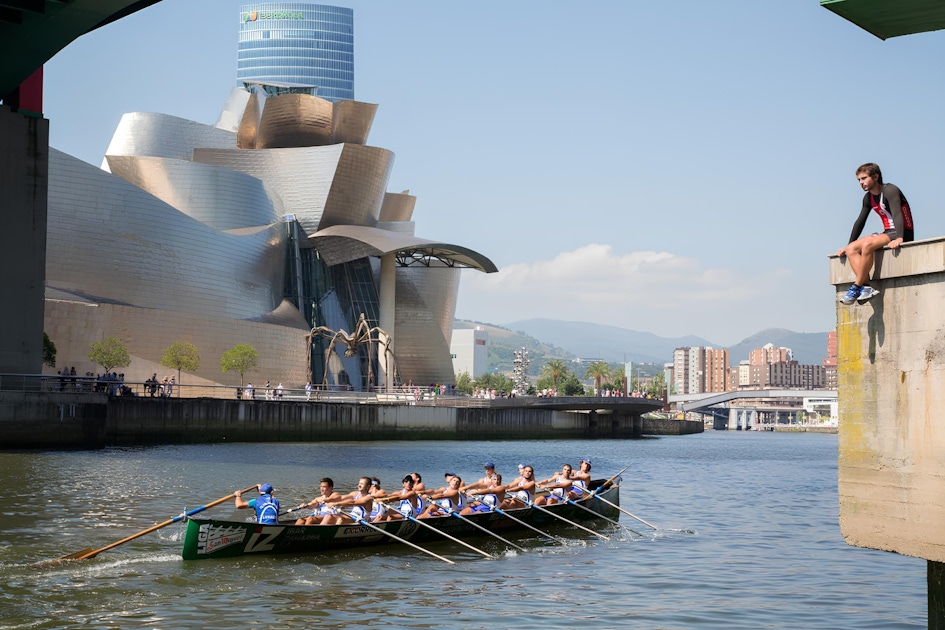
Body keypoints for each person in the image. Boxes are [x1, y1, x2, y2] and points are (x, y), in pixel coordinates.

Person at [837, 163, 915, 304]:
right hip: (887, 232)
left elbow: (898, 214)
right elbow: (860, 221)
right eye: (859, 180)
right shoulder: (868, 198)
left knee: (867, 245)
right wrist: (849, 244)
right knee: (851, 249)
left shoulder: (890, 190)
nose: (861, 182)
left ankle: (857, 286)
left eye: (864, 178)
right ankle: (866, 287)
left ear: (875, 177)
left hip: (900, 231)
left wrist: (899, 237)